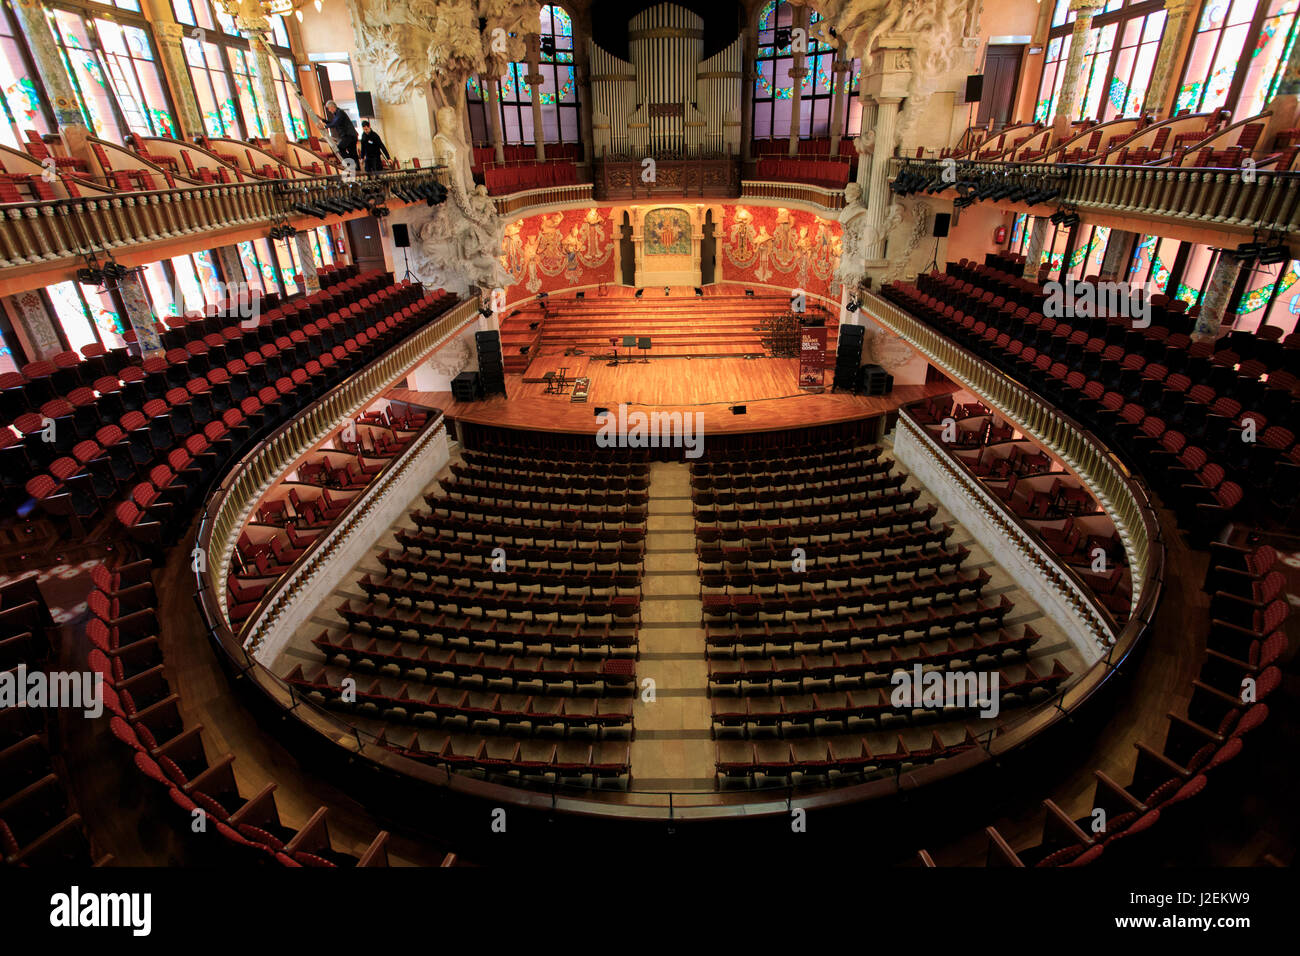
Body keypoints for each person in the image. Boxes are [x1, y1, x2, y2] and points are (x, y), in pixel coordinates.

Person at [321, 99, 357, 167]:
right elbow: (333, 122)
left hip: (349, 135)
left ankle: (350, 164)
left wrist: (325, 126)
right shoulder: (337, 114)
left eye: (329, 108)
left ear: (332, 107)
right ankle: (355, 167)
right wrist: (324, 120)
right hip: (349, 135)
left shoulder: (340, 113)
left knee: (340, 148)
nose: (329, 110)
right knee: (352, 152)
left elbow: (335, 123)